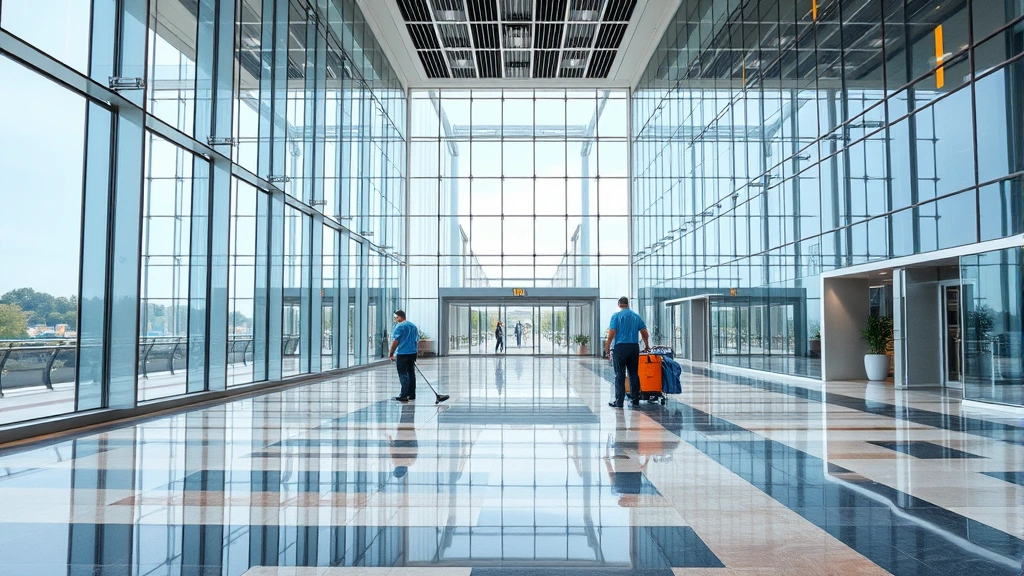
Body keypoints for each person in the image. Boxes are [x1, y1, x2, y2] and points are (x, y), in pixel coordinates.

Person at [603, 296, 650, 408]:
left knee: (619, 374)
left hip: (620, 348)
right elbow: (644, 333)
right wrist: (647, 345)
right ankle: (635, 399)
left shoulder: (616, 316)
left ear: (619, 304)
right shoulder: (636, 316)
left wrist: (607, 347)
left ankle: (619, 402)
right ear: (628, 304)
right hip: (633, 347)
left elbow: (611, 333)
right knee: (633, 373)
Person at [388, 310, 418, 402]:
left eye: (396, 317)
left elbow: (396, 341)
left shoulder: (400, 327)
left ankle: (404, 395)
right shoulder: (413, 326)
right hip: (412, 352)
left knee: (403, 373)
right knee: (411, 373)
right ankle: (411, 394)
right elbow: (416, 340)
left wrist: (391, 353)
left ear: (400, 317)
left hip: (402, 353)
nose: (396, 319)